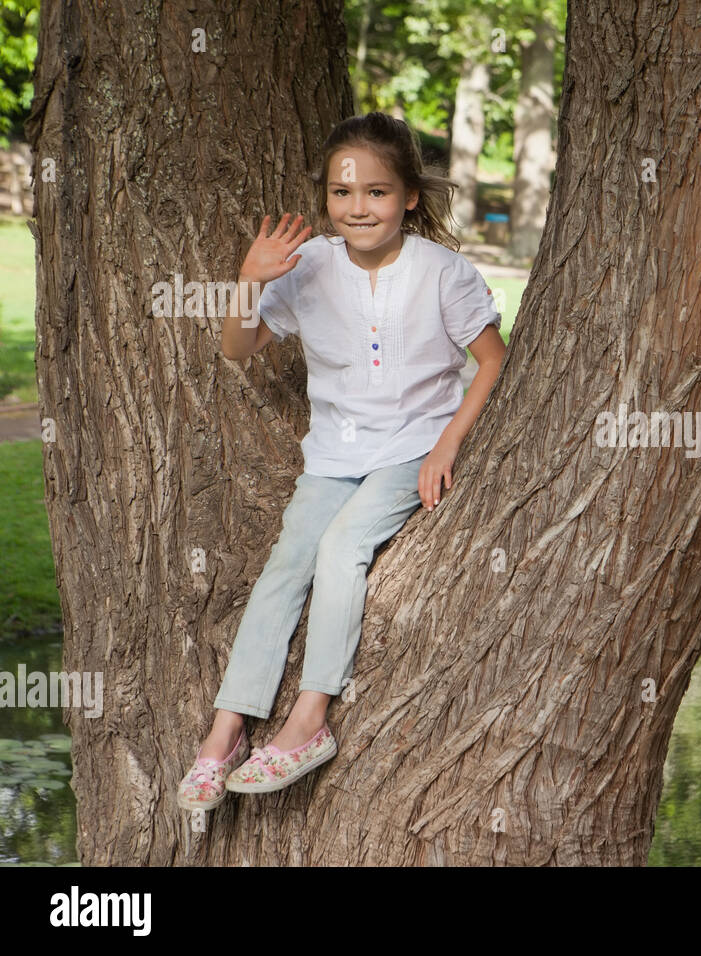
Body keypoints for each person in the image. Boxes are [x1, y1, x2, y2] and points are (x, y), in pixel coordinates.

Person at [176, 112, 507, 811]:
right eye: (342, 193)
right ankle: (225, 733)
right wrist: (248, 277)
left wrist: (448, 442)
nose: (358, 208)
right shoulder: (311, 266)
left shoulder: (443, 272)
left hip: (411, 447)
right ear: (327, 197)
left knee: (342, 548)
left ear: (410, 197)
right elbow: (238, 348)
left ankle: (307, 722)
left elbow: (492, 362)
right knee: (287, 562)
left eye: (377, 193)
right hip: (333, 452)